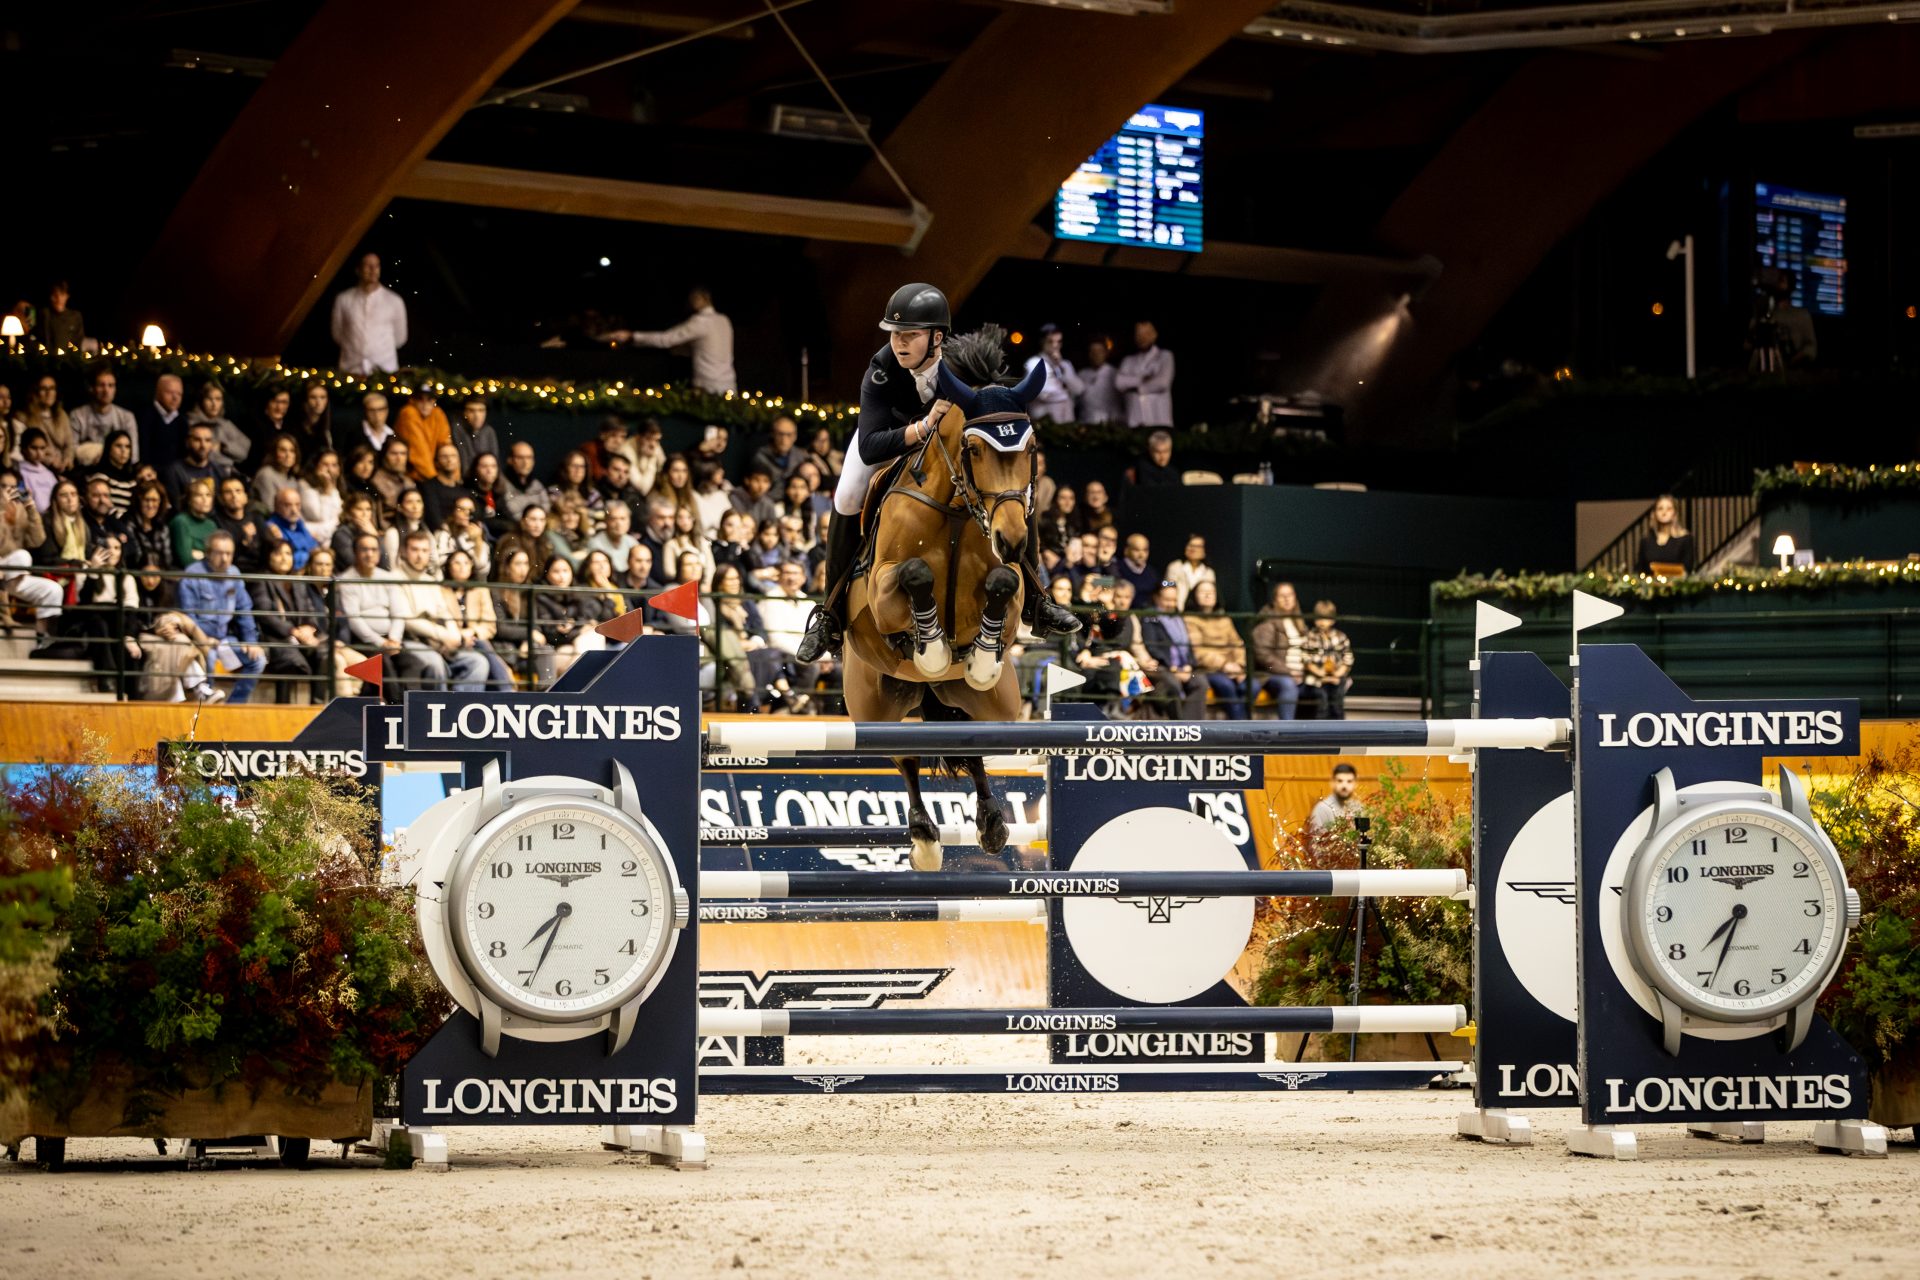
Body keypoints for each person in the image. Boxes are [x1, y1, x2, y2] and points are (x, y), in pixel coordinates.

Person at [795, 282, 1078, 663]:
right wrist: (923, 427)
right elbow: (870, 444)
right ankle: (829, 615)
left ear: (937, 337)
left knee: (1013, 495)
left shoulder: (963, 369)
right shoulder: (881, 369)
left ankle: (1037, 602)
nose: (899, 343)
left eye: (910, 334)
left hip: (947, 454)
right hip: (890, 443)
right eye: (895, 334)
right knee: (847, 495)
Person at [392, 528, 491, 692]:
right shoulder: (395, 578)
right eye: (414, 549)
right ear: (404, 551)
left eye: (424, 550)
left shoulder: (431, 580)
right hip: (410, 640)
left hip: (437, 641)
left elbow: (443, 612)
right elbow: (407, 620)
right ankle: (441, 713)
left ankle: (459, 710)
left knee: (478, 663)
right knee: (436, 663)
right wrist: (443, 635)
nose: (419, 555)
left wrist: (453, 636)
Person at [176, 531, 267, 703]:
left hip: (224, 639)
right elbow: (187, 616)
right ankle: (206, 706)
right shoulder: (192, 575)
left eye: (229, 554)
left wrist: (250, 641)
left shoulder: (234, 573)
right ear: (208, 553)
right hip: (198, 638)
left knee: (258, 659)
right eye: (219, 553)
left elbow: (244, 610)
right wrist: (203, 639)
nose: (224, 558)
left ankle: (233, 706)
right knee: (209, 656)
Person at [605, 285, 736, 394]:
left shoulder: (700, 322)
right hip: (729, 384)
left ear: (698, 299)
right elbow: (708, 348)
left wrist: (632, 336)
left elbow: (666, 339)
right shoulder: (724, 320)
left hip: (707, 386)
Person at [254, 538, 333, 702]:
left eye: (288, 553)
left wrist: (309, 627)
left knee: (324, 653)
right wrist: (293, 631)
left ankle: (316, 707)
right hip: (277, 638)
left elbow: (309, 610)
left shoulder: (297, 581)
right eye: (278, 553)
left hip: (300, 638)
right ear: (269, 556)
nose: (284, 558)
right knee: (291, 662)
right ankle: (284, 709)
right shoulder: (261, 580)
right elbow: (266, 615)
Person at [1136, 581, 1209, 720]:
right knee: (1172, 684)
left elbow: (1188, 646)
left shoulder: (1178, 618)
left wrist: (1189, 665)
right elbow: (1152, 647)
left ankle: (1192, 728)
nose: (1171, 604)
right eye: (1167, 600)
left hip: (1184, 669)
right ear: (1157, 598)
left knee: (1200, 681)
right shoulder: (1150, 617)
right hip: (1162, 667)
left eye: (1174, 600)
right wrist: (1173, 668)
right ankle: (1179, 729)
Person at [442, 549, 512, 689]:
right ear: (449, 566)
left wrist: (472, 632)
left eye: (466, 563)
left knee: (480, 644)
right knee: (483, 650)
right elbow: (442, 620)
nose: (462, 567)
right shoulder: (441, 591)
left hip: (475, 641)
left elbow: (490, 626)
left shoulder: (480, 591)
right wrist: (461, 635)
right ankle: (507, 689)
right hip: (453, 642)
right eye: (457, 563)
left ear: (472, 566)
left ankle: (505, 689)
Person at [331, 251, 409, 374]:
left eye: (376, 265)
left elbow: (400, 337)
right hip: (351, 370)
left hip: (384, 371)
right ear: (358, 270)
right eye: (368, 265)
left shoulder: (394, 301)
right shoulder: (343, 299)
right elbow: (337, 333)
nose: (373, 270)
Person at [534, 555, 609, 677]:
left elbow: (601, 617)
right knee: (592, 640)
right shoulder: (540, 597)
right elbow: (550, 635)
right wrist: (578, 630)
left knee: (593, 638)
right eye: (556, 571)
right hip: (554, 651)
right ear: (547, 574)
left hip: (573, 648)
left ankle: (576, 684)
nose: (562, 576)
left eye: (565, 571)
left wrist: (607, 594)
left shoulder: (578, 594)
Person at [491, 547, 554, 686]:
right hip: (506, 650)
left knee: (546, 650)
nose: (523, 569)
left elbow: (535, 624)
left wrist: (529, 640)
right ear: (507, 567)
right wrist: (529, 634)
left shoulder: (528, 592)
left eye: (525, 564)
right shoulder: (496, 591)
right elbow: (501, 628)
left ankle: (549, 695)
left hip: (526, 649)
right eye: (518, 564)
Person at [1186, 581, 1248, 719]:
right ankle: (1242, 733)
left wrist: (1239, 665)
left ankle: (1247, 728)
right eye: (1203, 592)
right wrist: (1224, 665)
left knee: (1251, 686)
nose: (1208, 595)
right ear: (1194, 596)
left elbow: (1237, 644)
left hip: (1233, 668)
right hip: (1208, 669)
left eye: (1211, 592)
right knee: (1227, 686)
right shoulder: (1190, 619)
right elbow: (1197, 652)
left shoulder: (1224, 619)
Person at [1249, 581, 1306, 720]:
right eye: (1282, 596)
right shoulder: (1267, 622)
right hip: (1271, 675)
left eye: (1290, 595)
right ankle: (1286, 735)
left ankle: (1325, 736)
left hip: (1302, 674)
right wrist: (1288, 672)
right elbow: (1263, 655)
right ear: (1275, 600)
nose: (1287, 599)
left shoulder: (1299, 622)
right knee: (1288, 684)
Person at [71, 368, 139, 469]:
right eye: (101, 385)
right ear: (92, 388)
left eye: (111, 385)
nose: (106, 390)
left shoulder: (126, 417)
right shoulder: (78, 415)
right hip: (86, 470)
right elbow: (72, 450)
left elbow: (133, 455)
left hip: (119, 471)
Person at [1299, 599, 1353, 720]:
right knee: (1322, 703)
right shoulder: (1310, 637)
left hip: (1336, 677)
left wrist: (1338, 673)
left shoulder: (1341, 637)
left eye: (1326, 618)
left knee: (1337, 702)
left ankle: (1339, 729)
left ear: (1333, 620)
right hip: (1317, 678)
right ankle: (1321, 730)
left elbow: (1348, 658)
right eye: (1319, 618)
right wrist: (1319, 673)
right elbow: (1306, 658)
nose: (1322, 622)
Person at [1114, 321, 1175, 428]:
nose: (1142, 338)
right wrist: (1144, 379)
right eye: (1139, 335)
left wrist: (1133, 386)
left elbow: (1162, 383)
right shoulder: (1128, 360)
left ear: (1154, 335)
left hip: (1159, 420)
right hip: (1134, 421)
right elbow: (1119, 383)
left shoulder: (1165, 356)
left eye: (1146, 334)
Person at [1023, 324, 1084, 423]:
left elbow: (1079, 389)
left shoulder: (1065, 364)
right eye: (1050, 341)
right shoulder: (1033, 363)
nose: (1055, 345)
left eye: (1059, 342)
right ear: (1042, 342)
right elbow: (1043, 393)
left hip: (1067, 422)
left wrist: (1060, 366)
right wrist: (1067, 394)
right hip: (1044, 423)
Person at [186, 381, 250, 473]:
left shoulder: (225, 424)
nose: (214, 404)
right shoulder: (191, 423)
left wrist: (224, 446)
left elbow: (244, 451)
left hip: (227, 472)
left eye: (218, 399)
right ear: (201, 401)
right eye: (209, 399)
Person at [161, 421, 232, 504]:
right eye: (197, 440)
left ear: (212, 444)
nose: (203, 445)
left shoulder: (220, 470)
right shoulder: (174, 471)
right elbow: (176, 505)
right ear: (187, 443)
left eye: (207, 440)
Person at [394, 386, 450, 484]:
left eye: (429, 400)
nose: (425, 404)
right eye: (420, 399)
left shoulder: (437, 414)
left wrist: (452, 477)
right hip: (412, 475)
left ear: (434, 401)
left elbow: (446, 444)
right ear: (413, 400)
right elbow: (418, 452)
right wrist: (436, 481)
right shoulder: (408, 413)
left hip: (434, 474)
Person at [213, 476, 265, 571]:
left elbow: (265, 551)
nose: (234, 496)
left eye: (238, 491)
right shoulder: (216, 522)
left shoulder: (257, 518)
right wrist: (245, 543)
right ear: (221, 498)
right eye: (228, 492)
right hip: (230, 571)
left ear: (246, 496)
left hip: (259, 572)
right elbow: (220, 557)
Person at [1634, 494, 1695, 575]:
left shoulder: (1685, 538)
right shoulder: (1646, 540)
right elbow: (1640, 568)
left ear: (1675, 513)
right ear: (1655, 513)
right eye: (1660, 509)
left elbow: (1687, 568)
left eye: (1669, 509)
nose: (1664, 512)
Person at [263, 486, 319, 570]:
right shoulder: (271, 528)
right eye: (287, 505)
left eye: (297, 504)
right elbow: (289, 558)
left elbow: (313, 548)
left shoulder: (298, 522)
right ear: (276, 506)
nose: (294, 510)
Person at [494, 505, 553, 585]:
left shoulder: (544, 544)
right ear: (523, 522)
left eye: (542, 520)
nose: (538, 525)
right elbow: (503, 573)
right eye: (533, 519)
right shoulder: (510, 541)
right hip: (511, 588)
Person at [123, 481, 174, 572]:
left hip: (159, 577)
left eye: (154, 500)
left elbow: (167, 559)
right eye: (146, 500)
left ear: (160, 502)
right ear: (139, 500)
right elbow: (132, 559)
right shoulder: (127, 523)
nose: (150, 505)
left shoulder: (162, 527)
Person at [168, 479, 220, 567]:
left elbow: (218, 558)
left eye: (208, 495)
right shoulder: (181, 522)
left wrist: (202, 555)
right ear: (189, 499)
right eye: (199, 495)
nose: (205, 499)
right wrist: (208, 556)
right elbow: (186, 560)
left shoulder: (211, 524)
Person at [298, 450, 345, 545]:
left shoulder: (338, 488)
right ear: (315, 466)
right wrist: (326, 490)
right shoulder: (304, 485)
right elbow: (319, 517)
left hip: (328, 536)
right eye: (325, 464)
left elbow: (341, 518)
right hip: (311, 538)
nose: (330, 469)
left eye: (334, 465)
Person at [418, 442, 468, 530]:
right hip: (439, 533)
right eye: (444, 456)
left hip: (462, 531)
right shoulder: (428, 487)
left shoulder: (463, 489)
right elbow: (433, 518)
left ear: (458, 460)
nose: (449, 460)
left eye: (453, 456)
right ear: (436, 462)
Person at [250, 432, 303, 512]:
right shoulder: (266, 474)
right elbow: (269, 509)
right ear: (274, 453)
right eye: (283, 450)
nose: (288, 455)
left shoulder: (293, 481)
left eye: (292, 451)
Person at [450, 395, 501, 479]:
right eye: (471, 411)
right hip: (463, 482)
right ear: (464, 412)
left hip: (486, 481)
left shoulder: (489, 431)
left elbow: (494, 462)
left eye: (481, 410)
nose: (477, 416)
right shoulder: (456, 430)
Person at [331, 491, 386, 569]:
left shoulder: (372, 532)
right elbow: (355, 565)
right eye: (359, 509)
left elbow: (386, 566)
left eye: (368, 509)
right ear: (349, 512)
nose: (365, 514)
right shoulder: (341, 534)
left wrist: (375, 536)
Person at [381, 489, 433, 568]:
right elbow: (391, 566)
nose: (415, 507)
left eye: (418, 501)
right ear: (400, 507)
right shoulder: (393, 533)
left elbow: (434, 561)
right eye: (409, 502)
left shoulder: (426, 531)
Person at [336, 390, 395, 460]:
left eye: (380, 409)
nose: (377, 415)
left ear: (387, 411)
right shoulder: (354, 435)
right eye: (372, 410)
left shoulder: (393, 434)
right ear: (365, 411)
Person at [501, 441, 551, 523]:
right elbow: (512, 513)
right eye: (520, 458)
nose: (525, 463)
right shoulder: (501, 486)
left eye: (529, 458)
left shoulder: (537, 485)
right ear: (510, 460)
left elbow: (546, 509)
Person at [1077, 337, 1123, 425]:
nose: (1096, 354)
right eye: (1093, 351)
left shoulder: (1115, 374)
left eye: (1099, 351)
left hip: (1110, 424)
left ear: (1106, 353)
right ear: (1089, 354)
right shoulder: (1081, 375)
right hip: (1086, 422)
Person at [579, 415, 635, 485]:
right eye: (613, 435)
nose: (618, 441)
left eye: (623, 437)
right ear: (602, 435)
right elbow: (598, 477)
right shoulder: (590, 449)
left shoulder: (621, 453)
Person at [1165, 533, 1215, 610]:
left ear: (1204, 550)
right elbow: (1164, 584)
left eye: (1198, 546)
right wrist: (1174, 584)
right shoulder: (1175, 566)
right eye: (1190, 545)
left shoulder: (1208, 572)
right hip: (1177, 610)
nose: (1193, 549)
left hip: (1200, 613)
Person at [289, 380, 334, 462]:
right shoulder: (293, 427)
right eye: (313, 397)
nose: (318, 402)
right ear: (305, 401)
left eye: (323, 397)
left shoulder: (330, 427)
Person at [1309, 763, 1362, 831]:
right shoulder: (1322, 808)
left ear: (1355, 784)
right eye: (1340, 781)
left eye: (1349, 781)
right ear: (1332, 782)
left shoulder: (1359, 808)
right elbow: (1315, 839)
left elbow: (1364, 838)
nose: (1344, 785)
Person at [16, 431, 59, 512]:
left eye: (42, 448)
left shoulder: (49, 474)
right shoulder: (19, 473)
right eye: (34, 448)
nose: (39, 453)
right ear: (24, 448)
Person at [587, 500, 639, 567]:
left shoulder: (633, 543)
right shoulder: (595, 544)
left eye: (622, 519)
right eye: (613, 519)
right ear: (606, 520)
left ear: (629, 521)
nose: (618, 524)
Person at [372, 437, 415, 517]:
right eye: (394, 453)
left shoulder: (408, 481)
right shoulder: (376, 481)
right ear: (384, 456)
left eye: (403, 453)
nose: (399, 458)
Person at [1110, 533, 1159, 604]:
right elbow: (1100, 582)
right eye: (1136, 550)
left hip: (1144, 613)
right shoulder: (1114, 568)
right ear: (1126, 550)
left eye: (1145, 550)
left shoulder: (1152, 573)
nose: (1141, 554)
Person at [728, 465, 779, 531]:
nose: (761, 486)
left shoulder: (768, 503)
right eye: (757, 480)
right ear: (747, 480)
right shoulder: (734, 498)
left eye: (765, 481)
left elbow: (772, 527)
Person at [38, 281, 85, 351]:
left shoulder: (75, 316)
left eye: (61, 294)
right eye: (54, 295)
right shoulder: (45, 314)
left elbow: (78, 340)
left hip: (69, 359)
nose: (58, 299)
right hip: (49, 359)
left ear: (67, 296)